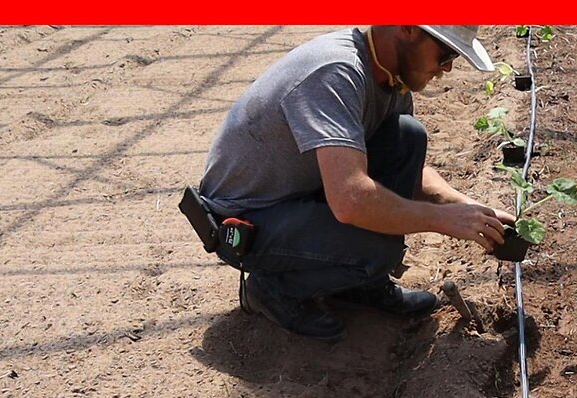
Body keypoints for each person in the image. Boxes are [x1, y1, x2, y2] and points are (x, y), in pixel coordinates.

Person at [196, 26, 516, 341]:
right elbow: (351, 200)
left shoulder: (389, 78)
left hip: (295, 197)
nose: (447, 66)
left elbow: (412, 173)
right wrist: (443, 221)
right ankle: (272, 289)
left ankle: (362, 282)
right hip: (246, 221)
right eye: (445, 52)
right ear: (406, 29)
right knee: (379, 248)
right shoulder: (337, 73)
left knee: (406, 135)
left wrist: (467, 209)